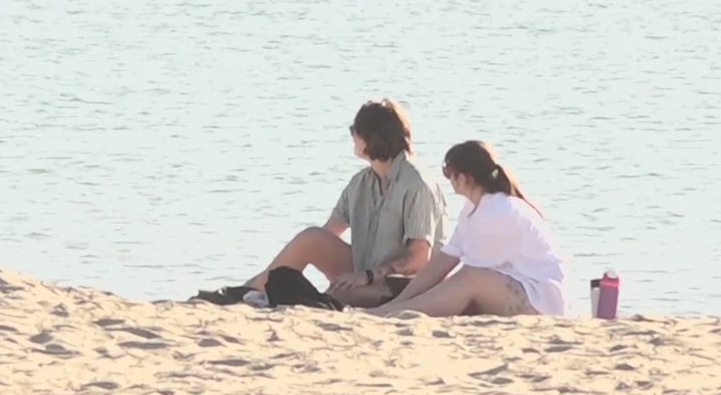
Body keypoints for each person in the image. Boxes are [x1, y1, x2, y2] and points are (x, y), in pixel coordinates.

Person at [243, 98, 449, 308]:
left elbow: (419, 259)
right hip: (367, 272)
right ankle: (248, 291)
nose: (352, 136)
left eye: (354, 130)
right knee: (311, 238)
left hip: (407, 285)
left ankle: (301, 300)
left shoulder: (417, 183)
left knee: (338, 294)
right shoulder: (361, 182)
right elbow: (328, 233)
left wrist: (367, 276)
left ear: (371, 137)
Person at [368, 140, 569, 317]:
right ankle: (395, 308)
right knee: (454, 281)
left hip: (542, 301)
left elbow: (471, 274)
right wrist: (403, 298)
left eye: (448, 172)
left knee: (469, 278)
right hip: (517, 289)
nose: (447, 178)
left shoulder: (497, 211)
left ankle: (391, 313)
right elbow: (446, 259)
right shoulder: (473, 208)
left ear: (464, 177)